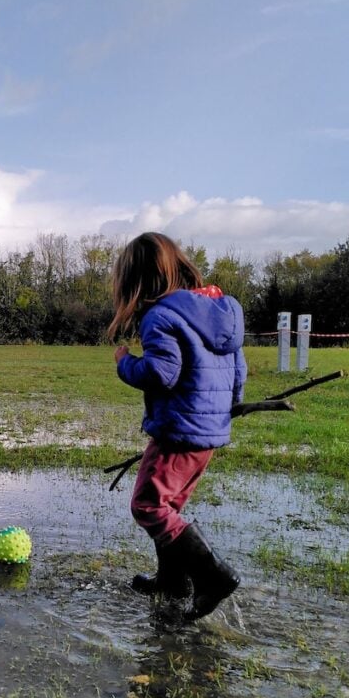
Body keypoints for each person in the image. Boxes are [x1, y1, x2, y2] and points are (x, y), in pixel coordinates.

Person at [108, 232, 247, 619]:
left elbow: (161, 373)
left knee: (148, 505)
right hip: (208, 434)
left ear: (137, 282)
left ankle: (213, 576)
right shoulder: (222, 313)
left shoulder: (161, 316)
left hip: (177, 432)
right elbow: (239, 372)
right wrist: (226, 407)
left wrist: (124, 362)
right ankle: (172, 582)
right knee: (169, 506)